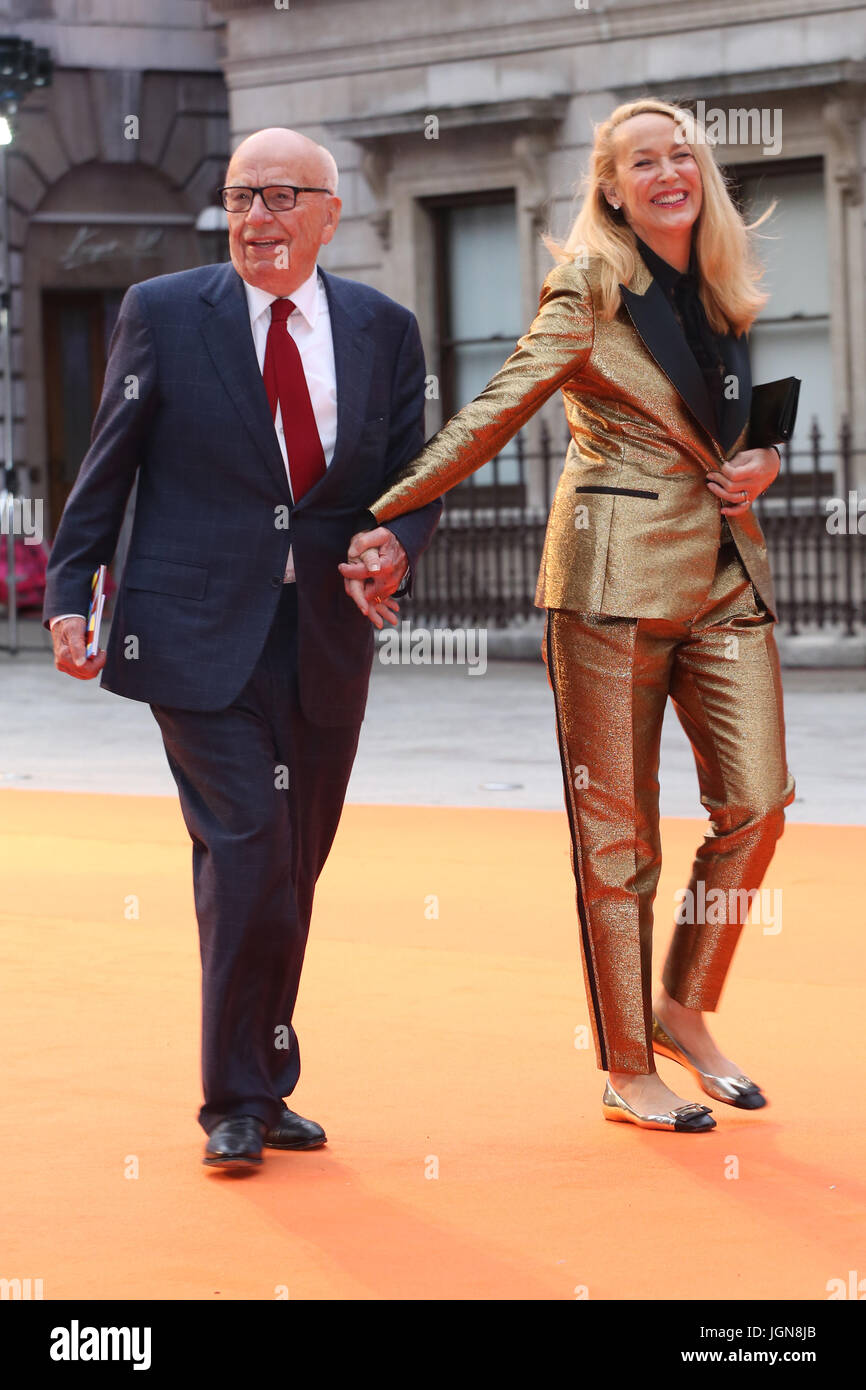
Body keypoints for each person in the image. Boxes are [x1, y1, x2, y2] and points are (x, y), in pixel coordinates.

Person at [341, 98, 795, 1134]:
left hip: (725, 574)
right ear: (609, 187)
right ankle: (626, 1063)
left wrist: (764, 458)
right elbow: (497, 405)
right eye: (643, 160)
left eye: (681, 154)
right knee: (614, 834)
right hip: (608, 583)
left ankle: (681, 1002)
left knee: (759, 803)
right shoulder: (590, 281)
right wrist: (384, 511)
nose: (668, 170)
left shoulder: (720, 286)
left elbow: (738, 415)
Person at [43, 128, 442, 1171]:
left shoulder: (381, 327)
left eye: (277, 197)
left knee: (290, 863)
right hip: (189, 625)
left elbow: (414, 472)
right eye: (239, 197)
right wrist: (71, 587)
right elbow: (108, 464)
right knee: (250, 851)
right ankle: (235, 1100)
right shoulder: (167, 312)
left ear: (327, 210)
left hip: (319, 635)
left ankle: (262, 1074)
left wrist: (392, 543)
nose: (255, 218)